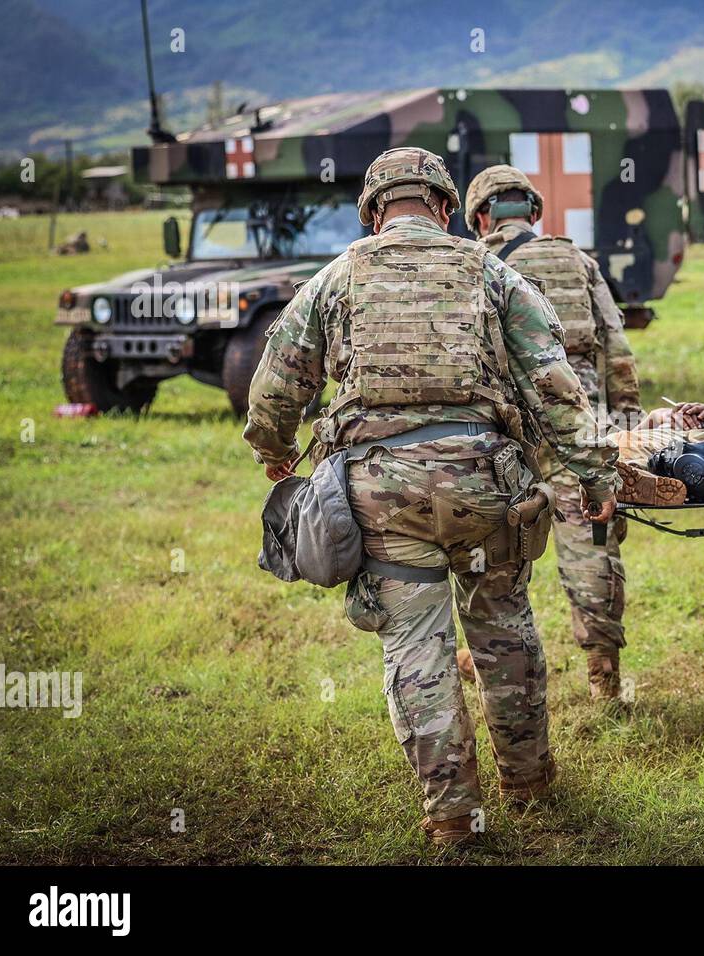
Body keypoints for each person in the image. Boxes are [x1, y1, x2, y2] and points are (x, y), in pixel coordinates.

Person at [243, 148, 618, 847]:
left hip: (385, 499)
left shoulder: (337, 276)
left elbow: (276, 384)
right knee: (502, 625)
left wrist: (271, 450)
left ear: (374, 211)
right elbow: (557, 383)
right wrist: (594, 474)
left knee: (415, 646)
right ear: (446, 208)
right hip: (486, 491)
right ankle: (529, 781)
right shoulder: (491, 271)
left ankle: (453, 815)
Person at [462, 166, 641, 701]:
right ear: (534, 213)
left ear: (480, 217)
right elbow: (617, 351)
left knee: (496, 548)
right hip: (579, 429)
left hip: (506, 435)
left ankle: (487, 658)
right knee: (592, 542)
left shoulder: (477, 267)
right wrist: (625, 429)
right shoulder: (580, 262)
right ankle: (604, 673)